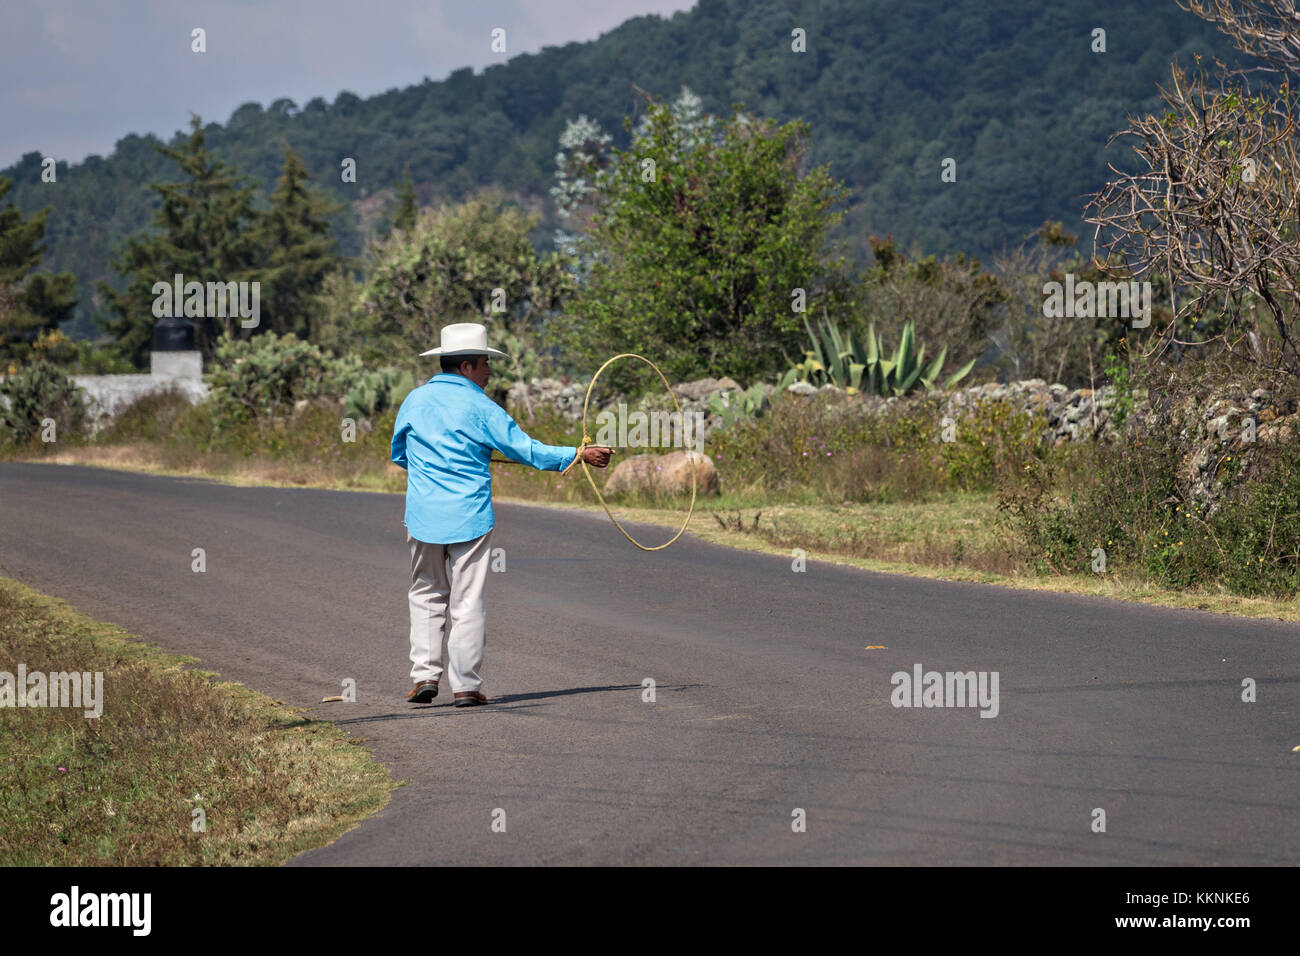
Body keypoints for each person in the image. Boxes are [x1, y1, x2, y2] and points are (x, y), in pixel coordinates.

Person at [390, 322, 614, 708]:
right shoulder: (481, 407)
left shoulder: (414, 400)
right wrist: (577, 454)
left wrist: (433, 468)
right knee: (466, 599)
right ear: (466, 367)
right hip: (469, 516)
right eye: (484, 364)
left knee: (427, 592)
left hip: (424, 515)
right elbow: (525, 449)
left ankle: (424, 677)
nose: (489, 372)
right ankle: (466, 686)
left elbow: (399, 453)